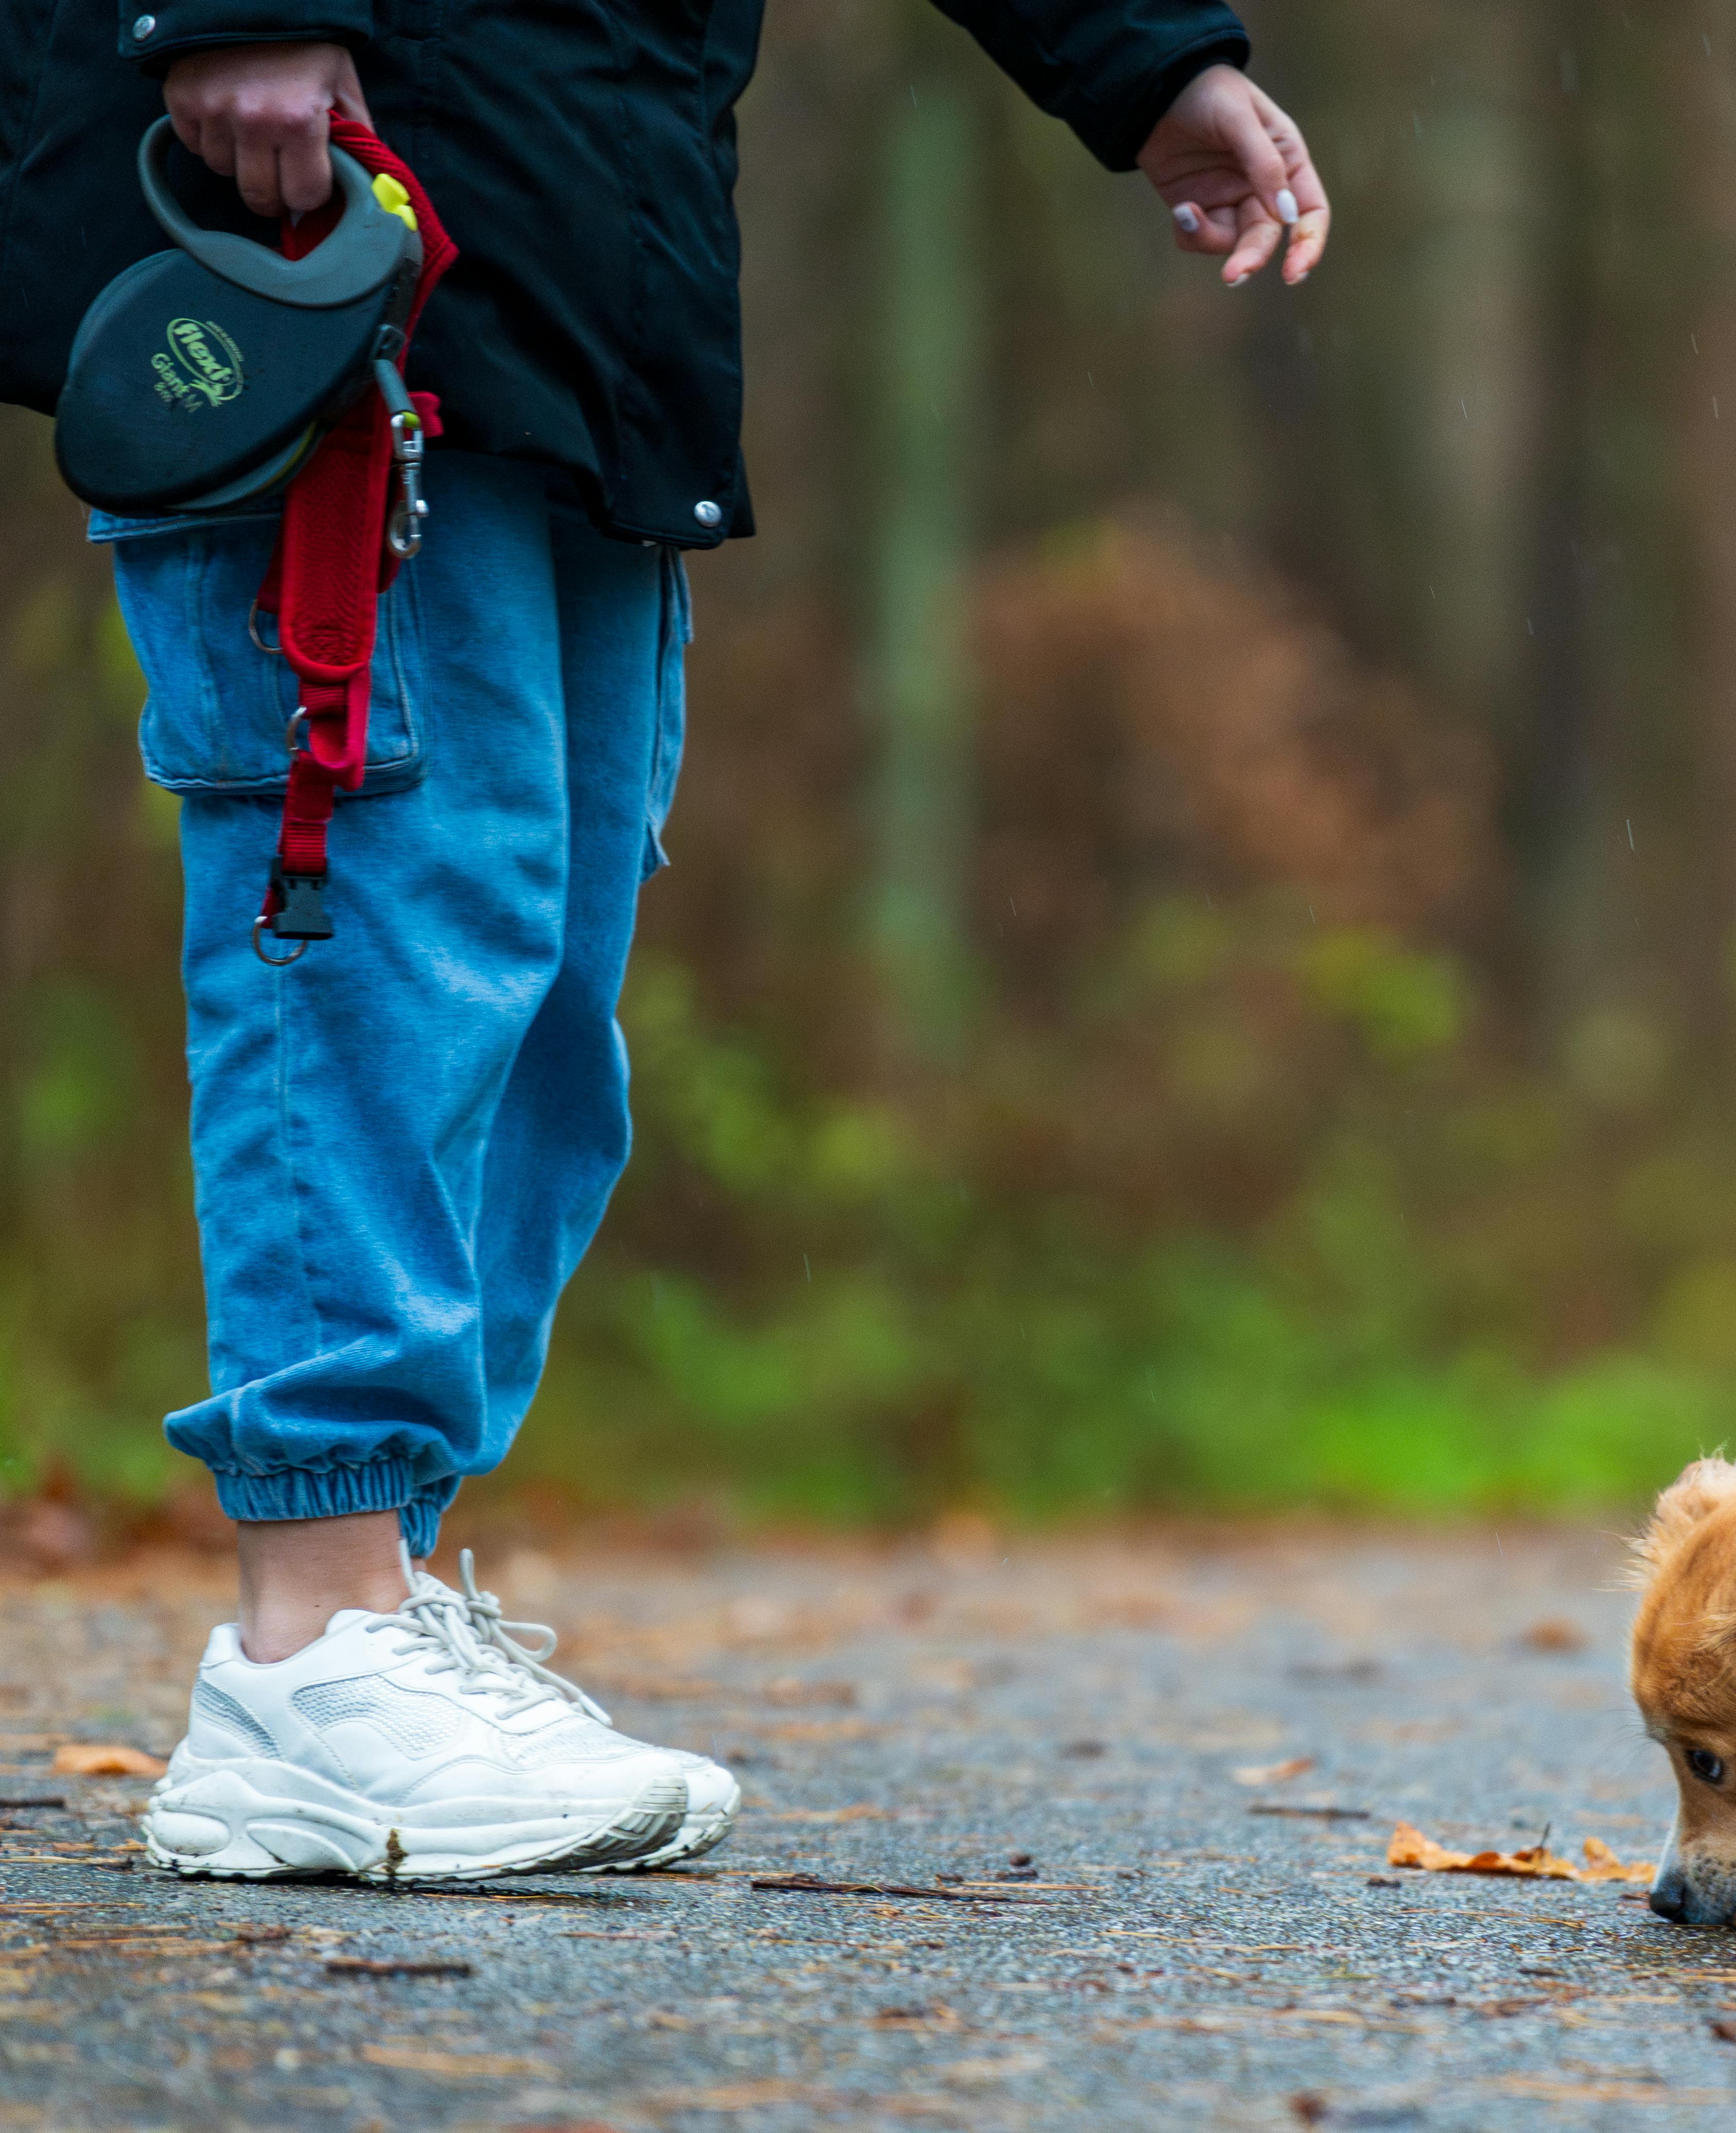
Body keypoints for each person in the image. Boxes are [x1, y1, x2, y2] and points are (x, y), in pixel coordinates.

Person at [0, 0, 1325, 1879]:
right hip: (313, 217)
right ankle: (313, 1636)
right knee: (376, 914)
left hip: (580, 240)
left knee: (538, 976)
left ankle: (384, 1597)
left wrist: (1135, 57)